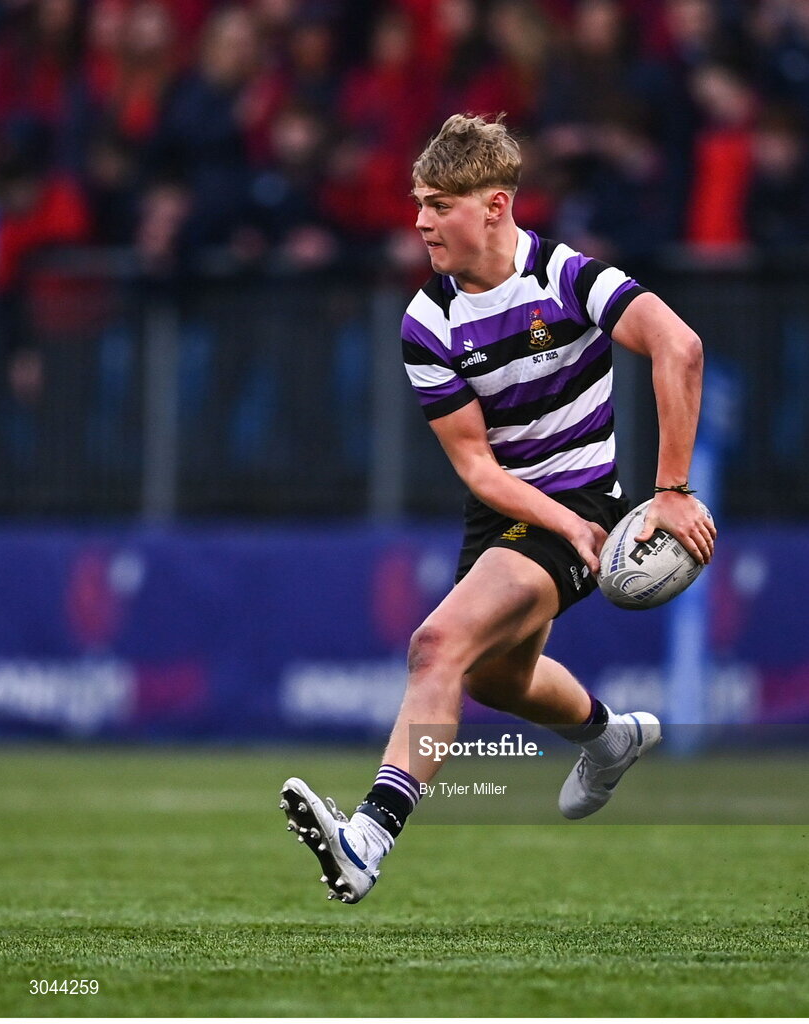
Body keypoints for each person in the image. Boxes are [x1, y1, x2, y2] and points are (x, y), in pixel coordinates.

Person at [279, 113, 715, 905]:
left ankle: (366, 838)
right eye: (418, 201)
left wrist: (671, 490)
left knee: (436, 645)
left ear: (496, 205)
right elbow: (477, 465)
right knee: (495, 680)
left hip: (588, 493)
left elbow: (678, 346)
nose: (419, 220)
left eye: (440, 203)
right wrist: (553, 522)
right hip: (512, 507)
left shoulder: (569, 277)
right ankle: (610, 737)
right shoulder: (428, 320)